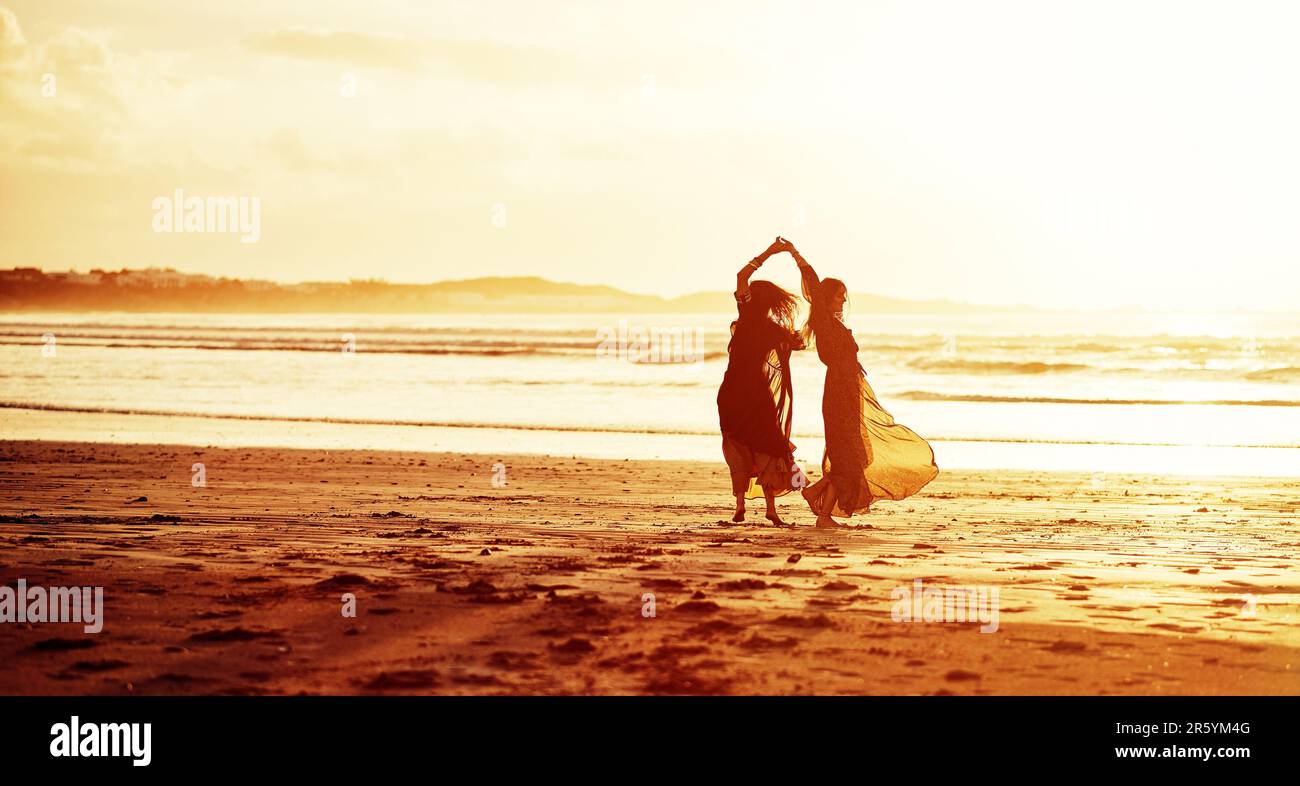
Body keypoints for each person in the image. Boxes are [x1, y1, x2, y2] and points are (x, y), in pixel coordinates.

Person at [783, 238, 938, 527]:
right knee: (848, 457)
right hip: (839, 393)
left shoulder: (835, 324)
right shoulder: (824, 320)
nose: (843, 300)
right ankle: (824, 515)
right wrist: (795, 254)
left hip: (847, 393)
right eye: (839, 295)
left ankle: (818, 495)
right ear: (826, 297)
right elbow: (812, 283)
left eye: (844, 295)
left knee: (852, 455)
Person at [716, 238, 806, 525]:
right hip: (756, 392)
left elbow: (742, 276)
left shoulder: (745, 318)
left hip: (731, 391)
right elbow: (800, 344)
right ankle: (771, 510)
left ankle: (740, 506)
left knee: (737, 442)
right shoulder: (773, 330)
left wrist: (769, 251)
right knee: (767, 444)